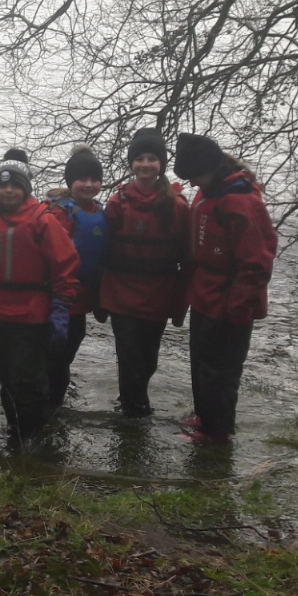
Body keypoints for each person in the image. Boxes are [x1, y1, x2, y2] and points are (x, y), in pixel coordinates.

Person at [0, 156, 80, 445]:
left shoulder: (43, 222)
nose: (9, 191)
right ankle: (15, 430)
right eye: (3, 187)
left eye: (15, 186)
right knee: (7, 379)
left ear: (25, 189)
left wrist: (61, 308)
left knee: (28, 380)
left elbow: (65, 266)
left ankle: (34, 433)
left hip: (31, 314)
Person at [173, 133, 276, 443]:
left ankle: (216, 432)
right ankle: (205, 416)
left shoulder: (240, 200)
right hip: (205, 293)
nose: (192, 184)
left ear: (212, 168)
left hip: (230, 299)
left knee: (221, 370)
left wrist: (238, 305)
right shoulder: (208, 192)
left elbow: (257, 261)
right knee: (201, 362)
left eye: (195, 176)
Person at [98, 128, 189, 417]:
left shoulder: (176, 206)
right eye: (139, 158)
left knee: (148, 359)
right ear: (131, 163)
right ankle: (133, 409)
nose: (145, 164)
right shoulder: (117, 202)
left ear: (161, 163)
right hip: (120, 292)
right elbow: (103, 250)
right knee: (129, 356)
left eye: (152, 158)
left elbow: (187, 257)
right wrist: (98, 298)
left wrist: (179, 306)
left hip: (158, 294)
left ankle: (136, 402)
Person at [45, 146, 107, 408]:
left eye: (95, 179)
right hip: (60, 301)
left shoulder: (100, 211)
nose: (89, 185)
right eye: (83, 179)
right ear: (71, 181)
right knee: (55, 358)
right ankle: (48, 406)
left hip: (83, 302)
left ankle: (54, 403)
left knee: (67, 353)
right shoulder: (59, 213)